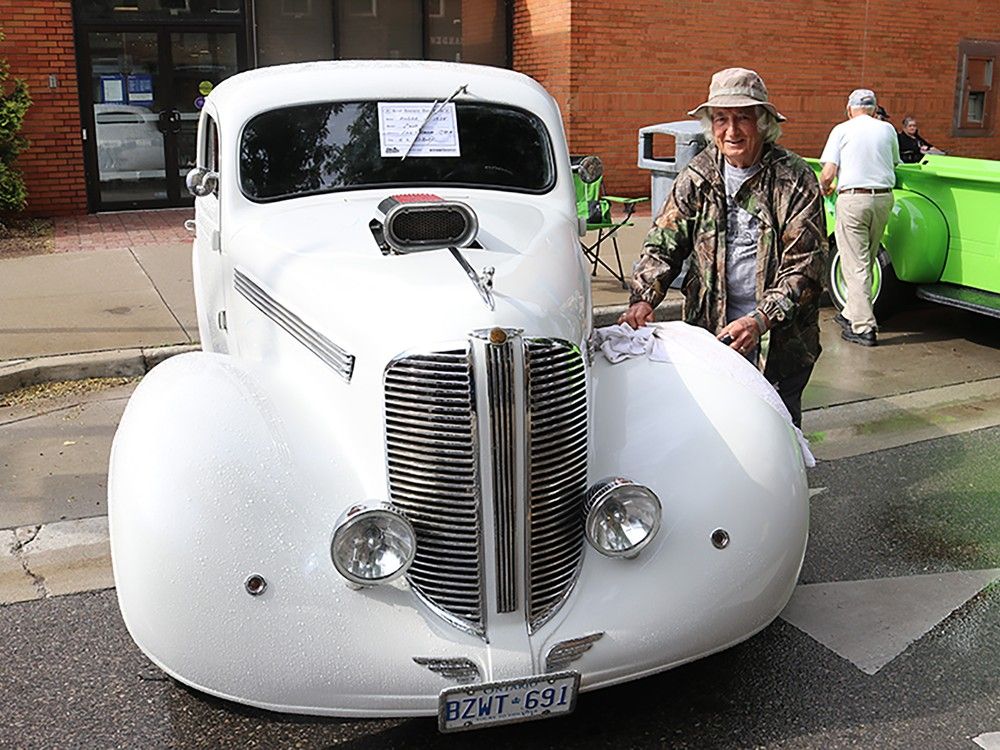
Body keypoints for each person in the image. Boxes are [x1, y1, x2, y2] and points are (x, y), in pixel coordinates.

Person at [620, 67, 826, 427]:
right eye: (721, 119)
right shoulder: (698, 175)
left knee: (774, 443)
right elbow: (664, 242)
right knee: (716, 434)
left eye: (742, 118)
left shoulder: (795, 179)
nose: (731, 131)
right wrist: (643, 297)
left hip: (779, 346)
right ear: (710, 125)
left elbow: (804, 269)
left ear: (762, 122)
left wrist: (760, 319)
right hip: (711, 340)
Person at [819, 89, 899, 347]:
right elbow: (894, 162)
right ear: (875, 109)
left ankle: (863, 327)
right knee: (866, 259)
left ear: (849, 108)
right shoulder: (887, 130)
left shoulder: (841, 130)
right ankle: (850, 313)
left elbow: (829, 173)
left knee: (854, 264)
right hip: (884, 198)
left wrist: (823, 187)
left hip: (854, 199)